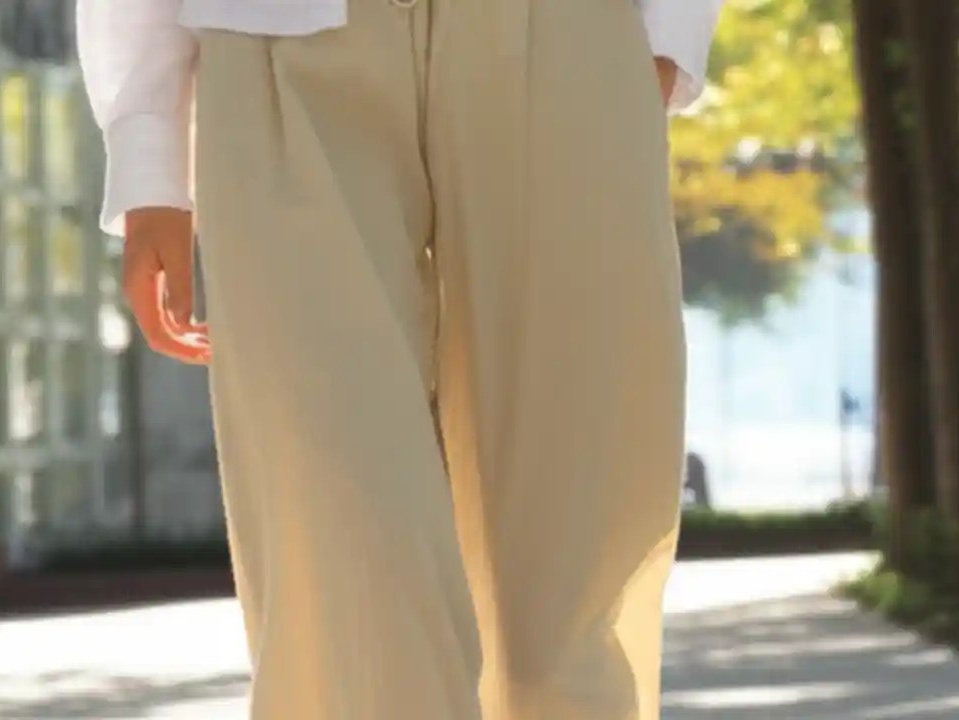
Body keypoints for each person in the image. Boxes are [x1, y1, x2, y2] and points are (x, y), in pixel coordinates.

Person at [77, 1, 723, 718]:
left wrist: (668, 35)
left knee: (569, 579)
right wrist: (147, 141)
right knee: (343, 561)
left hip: (564, 33)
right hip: (278, 46)